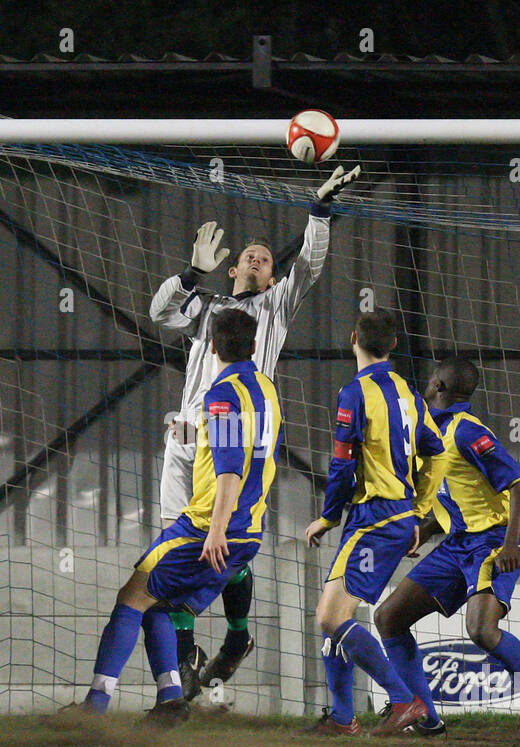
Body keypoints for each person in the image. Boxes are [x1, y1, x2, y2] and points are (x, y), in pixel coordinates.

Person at [149, 164, 361, 698]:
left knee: (222, 549)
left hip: (230, 445)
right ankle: (192, 653)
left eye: (266, 259)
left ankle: (236, 637)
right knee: (175, 552)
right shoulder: (207, 308)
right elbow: (159, 312)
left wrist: (319, 210)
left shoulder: (275, 307)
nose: (257, 258)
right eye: (250, 254)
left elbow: (309, 266)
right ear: (233, 269)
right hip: (181, 447)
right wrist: (191, 274)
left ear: (271, 278)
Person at [77, 309, 282, 724]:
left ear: (211, 347)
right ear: (256, 348)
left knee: (130, 598)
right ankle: (170, 699)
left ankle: (94, 706)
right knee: (159, 604)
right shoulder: (265, 387)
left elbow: (228, 467)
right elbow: (247, 444)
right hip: (251, 530)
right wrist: (195, 434)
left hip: (207, 527)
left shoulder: (221, 393)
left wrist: (216, 529)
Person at [373, 356, 520, 740]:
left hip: (492, 543)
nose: (427, 383)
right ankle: (427, 718)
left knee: (481, 630)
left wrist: (512, 541)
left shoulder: (467, 431)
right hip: (457, 544)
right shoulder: (433, 431)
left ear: (440, 387)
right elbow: (458, 494)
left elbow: (519, 484)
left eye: (432, 379)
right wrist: (426, 528)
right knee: (389, 619)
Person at [303, 311, 445, 736]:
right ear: (395, 344)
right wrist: (420, 510)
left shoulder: (355, 393)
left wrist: (328, 517)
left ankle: (403, 701)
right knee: (337, 617)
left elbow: (342, 465)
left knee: (330, 618)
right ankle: (343, 716)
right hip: (395, 518)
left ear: (352, 339)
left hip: (375, 520)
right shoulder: (407, 391)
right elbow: (436, 452)